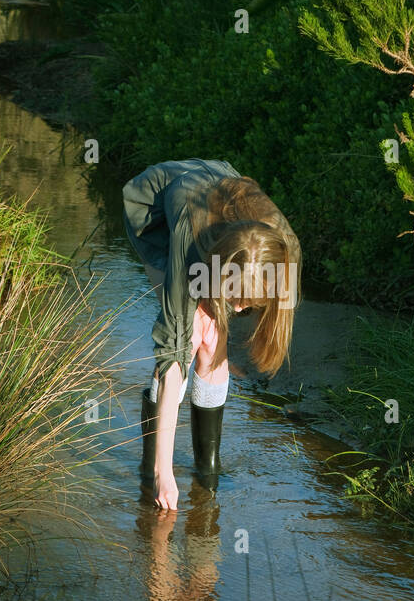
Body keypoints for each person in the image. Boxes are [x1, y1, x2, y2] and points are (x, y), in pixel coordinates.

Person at [123, 158, 301, 512]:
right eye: (233, 297)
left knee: (214, 337)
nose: (237, 309)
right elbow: (171, 352)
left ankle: (208, 470)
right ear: (215, 268)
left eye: (246, 302)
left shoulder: (286, 250)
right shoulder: (191, 247)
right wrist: (164, 472)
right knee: (188, 339)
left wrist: (226, 302)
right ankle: (150, 471)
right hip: (154, 212)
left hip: (218, 197)